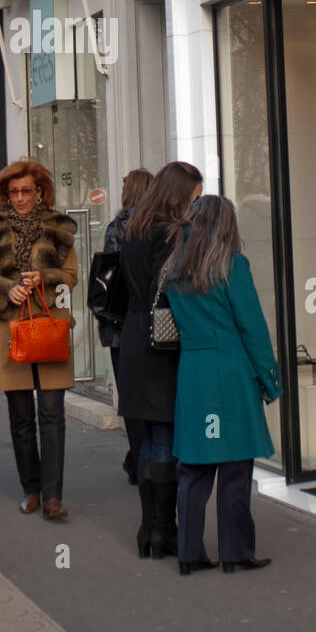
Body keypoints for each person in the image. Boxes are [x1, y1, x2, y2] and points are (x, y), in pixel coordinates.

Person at [165, 195, 282, 575]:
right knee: (234, 467)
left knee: (194, 467)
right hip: (229, 370)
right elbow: (253, 327)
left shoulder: (175, 269)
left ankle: (189, 553)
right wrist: (270, 378)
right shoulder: (232, 265)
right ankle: (235, 552)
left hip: (194, 370)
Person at [0, 161, 77, 521]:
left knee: (52, 413)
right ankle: (31, 490)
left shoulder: (58, 228)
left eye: (26, 191)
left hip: (48, 327)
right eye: (13, 192)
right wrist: (9, 289)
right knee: (20, 417)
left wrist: (44, 279)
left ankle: (53, 496)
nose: (19, 198)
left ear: (40, 192)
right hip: (10, 330)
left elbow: (70, 278)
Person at [118, 161, 203, 559]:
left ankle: (148, 527)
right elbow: (175, 289)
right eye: (193, 197)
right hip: (165, 339)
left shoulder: (133, 228)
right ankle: (165, 530)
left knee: (148, 437)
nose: (194, 205)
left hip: (135, 336)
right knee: (166, 438)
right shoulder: (174, 232)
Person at [92, 169, 153, 484]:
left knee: (132, 397)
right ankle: (146, 458)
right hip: (154, 326)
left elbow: (110, 278)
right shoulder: (161, 227)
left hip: (121, 326)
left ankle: (140, 458)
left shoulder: (118, 227)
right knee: (154, 396)